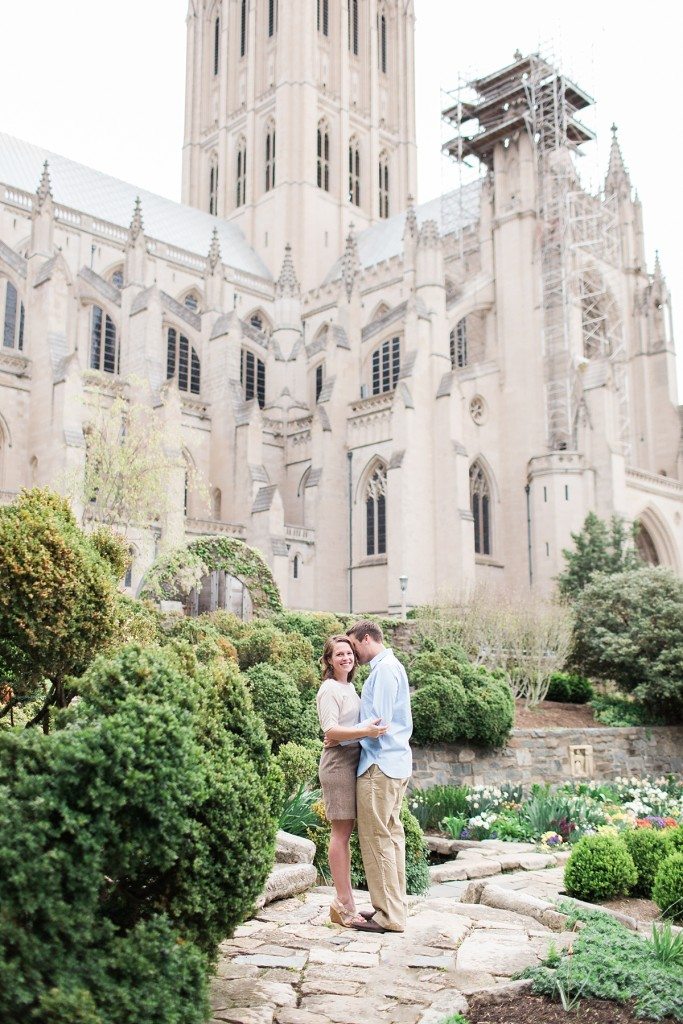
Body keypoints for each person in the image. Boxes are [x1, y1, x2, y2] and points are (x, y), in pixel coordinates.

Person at [344, 620, 413, 934]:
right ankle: (393, 908)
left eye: (353, 646)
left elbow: (378, 724)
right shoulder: (391, 666)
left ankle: (388, 915)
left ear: (366, 639)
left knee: (376, 839)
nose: (353, 655)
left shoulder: (384, 670)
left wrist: (343, 736)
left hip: (379, 766)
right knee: (392, 838)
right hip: (394, 763)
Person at [316, 634, 388, 928]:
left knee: (346, 833)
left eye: (348, 653)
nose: (345, 658)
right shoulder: (329, 688)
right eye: (339, 654)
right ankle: (344, 904)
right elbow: (330, 730)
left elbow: (343, 729)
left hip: (352, 760)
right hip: (337, 764)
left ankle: (346, 903)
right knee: (340, 833)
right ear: (329, 660)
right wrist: (364, 732)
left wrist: (357, 733)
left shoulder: (349, 687)